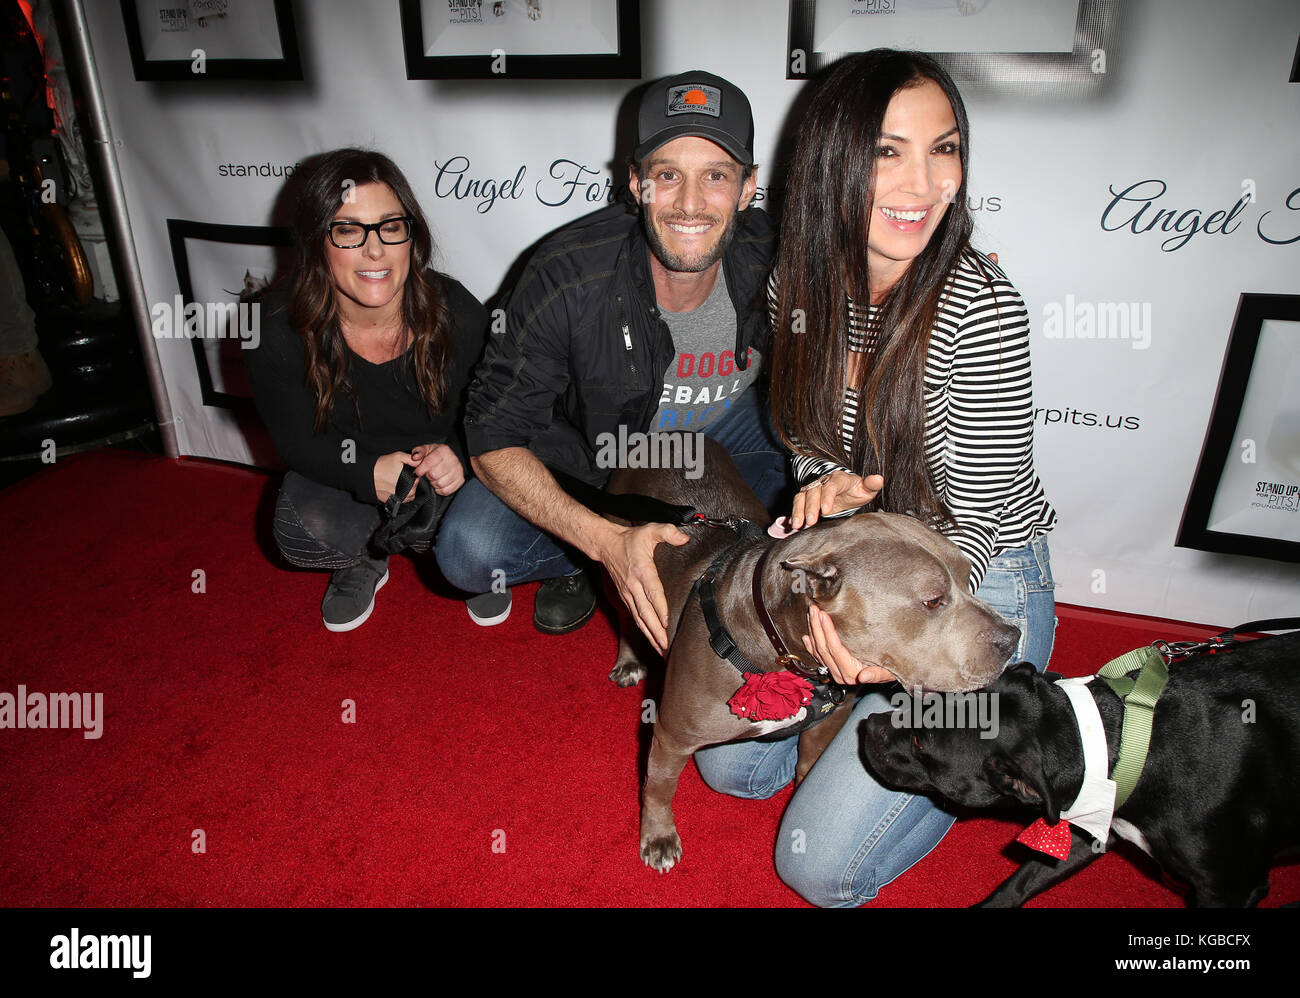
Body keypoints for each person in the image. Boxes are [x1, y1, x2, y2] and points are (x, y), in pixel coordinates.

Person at [693, 50, 1059, 907]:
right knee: (732, 769)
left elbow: (973, 526)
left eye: (946, 148)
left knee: (820, 869)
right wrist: (831, 488)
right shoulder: (797, 281)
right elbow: (806, 436)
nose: (923, 183)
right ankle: (839, 707)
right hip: (868, 560)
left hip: (979, 578)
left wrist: (878, 647)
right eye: (888, 151)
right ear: (833, 160)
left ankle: (991, 704)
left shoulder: (980, 307)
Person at [437, 71, 789, 640]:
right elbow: (491, 436)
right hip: (597, 460)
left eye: (716, 176)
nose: (691, 204)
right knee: (468, 553)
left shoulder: (776, 256)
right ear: (635, 183)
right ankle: (600, 551)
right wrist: (603, 541)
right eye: (667, 175)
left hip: (721, 437)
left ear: (748, 188)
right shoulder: (567, 274)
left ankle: (678, 533)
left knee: (812, 472)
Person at [245, 148, 487, 632]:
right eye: (349, 230)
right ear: (318, 243)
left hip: (440, 478)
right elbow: (295, 441)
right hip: (355, 477)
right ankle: (364, 558)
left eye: (390, 227)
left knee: (477, 547)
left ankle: (449, 554)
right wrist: (365, 470)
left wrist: (457, 454)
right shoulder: (275, 327)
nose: (374, 250)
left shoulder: (454, 309)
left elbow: (494, 409)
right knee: (298, 529)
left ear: (409, 237)